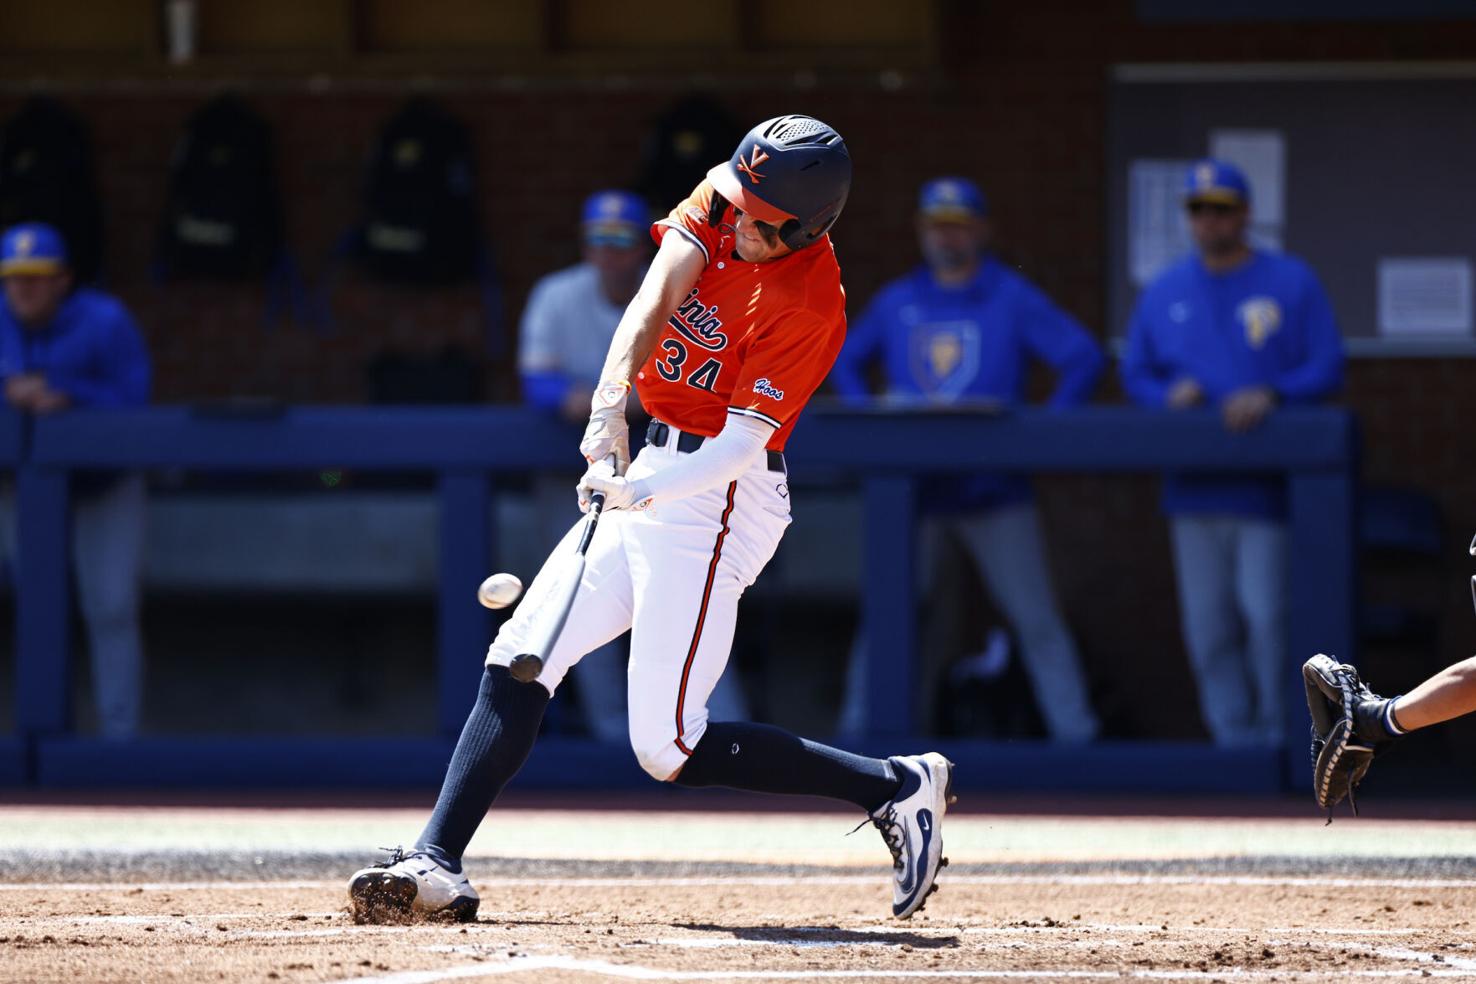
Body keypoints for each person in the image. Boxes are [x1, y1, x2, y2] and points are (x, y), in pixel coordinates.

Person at [349, 115, 955, 924]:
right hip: (651, 464)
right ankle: (435, 860)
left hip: (718, 498)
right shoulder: (724, 199)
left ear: (807, 226)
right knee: (524, 653)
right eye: (736, 200)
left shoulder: (811, 305)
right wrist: (608, 415)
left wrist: (646, 492)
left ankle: (894, 785)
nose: (736, 220)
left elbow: (743, 446)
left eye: (758, 218)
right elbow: (652, 299)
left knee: (665, 747)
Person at [829, 177, 1103, 743]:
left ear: (982, 231)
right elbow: (843, 361)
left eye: (958, 224)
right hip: (914, 496)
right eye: (936, 224)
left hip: (995, 491)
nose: (946, 236)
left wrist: (1044, 431)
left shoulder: (1010, 295)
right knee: (888, 617)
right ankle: (857, 738)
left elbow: (1081, 357)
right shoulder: (900, 299)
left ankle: (1079, 740)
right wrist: (870, 415)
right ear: (921, 231)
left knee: (1036, 620)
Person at [1121, 159, 1344, 747]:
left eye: (1221, 208)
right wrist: (1166, 394)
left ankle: (1285, 738)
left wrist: (1273, 393)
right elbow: (1134, 372)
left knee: (1268, 617)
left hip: (1264, 490)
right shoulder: (1165, 288)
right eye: (1198, 209)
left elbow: (1327, 364)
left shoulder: (1290, 279)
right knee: (1207, 627)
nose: (1210, 220)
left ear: (1245, 214)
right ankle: (1234, 743)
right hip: (1192, 488)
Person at [517, 190, 750, 740]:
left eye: (621, 241)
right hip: (575, 476)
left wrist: (616, 399)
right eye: (599, 240)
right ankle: (612, 738)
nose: (610, 253)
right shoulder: (557, 294)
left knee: (691, 610)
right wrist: (610, 400)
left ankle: (717, 735)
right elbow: (537, 384)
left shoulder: (679, 281)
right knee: (577, 609)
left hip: (666, 469)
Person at [0, 222, 151, 738]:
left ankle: (119, 741)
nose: (24, 287)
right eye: (14, 276)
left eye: (38, 276)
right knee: (34, 606)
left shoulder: (104, 321)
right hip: (22, 489)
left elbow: (137, 403)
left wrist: (69, 393)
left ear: (63, 279)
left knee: (110, 607)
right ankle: (34, 741)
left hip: (104, 487)